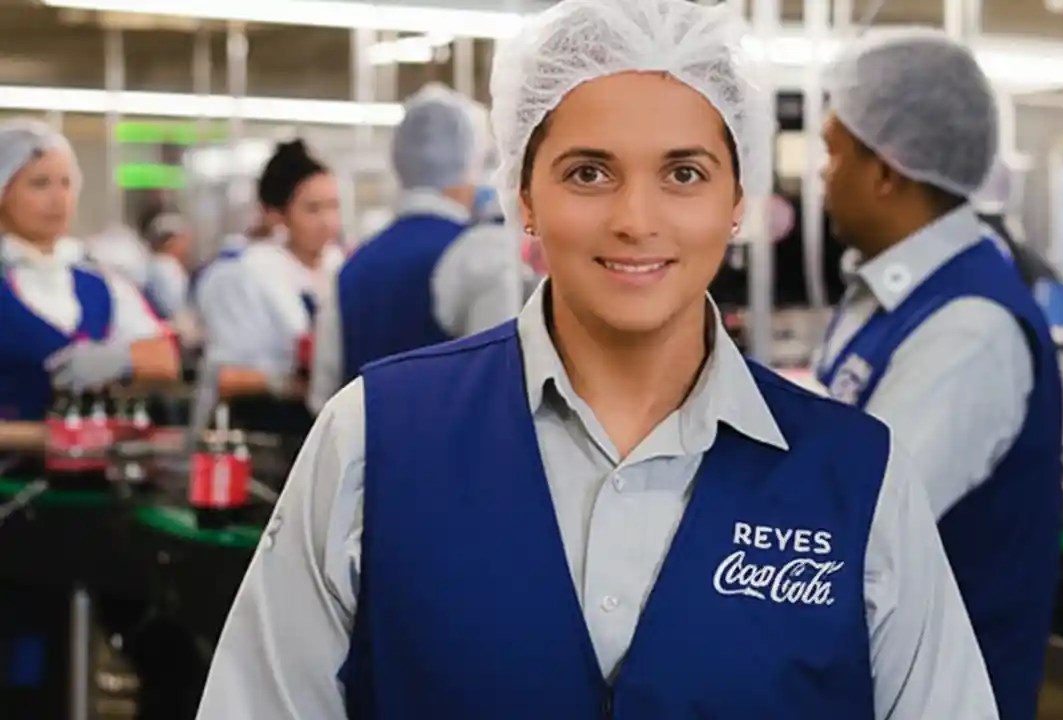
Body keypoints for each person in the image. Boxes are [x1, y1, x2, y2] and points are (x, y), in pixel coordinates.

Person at [197, 2, 998, 718]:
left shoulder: (856, 478)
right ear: (525, 197)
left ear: (736, 202)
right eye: (589, 172)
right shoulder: (374, 439)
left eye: (684, 173)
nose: (635, 219)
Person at [814, 29, 1063, 720]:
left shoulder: (968, 329)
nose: (821, 175)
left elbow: (861, 529)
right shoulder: (886, 296)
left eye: (834, 152)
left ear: (887, 171)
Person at [0, 118, 178, 715]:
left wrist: (122, 357)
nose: (57, 198)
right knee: (27, 668)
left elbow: (164, 355)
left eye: (66, 181)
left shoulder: (97, 282)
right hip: (14, 501)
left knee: (156, 641)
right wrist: (37, 435)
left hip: (95, 500)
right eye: (37, 182)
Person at [308, 84, 520, 413]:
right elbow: (497, 391)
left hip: (367, 460)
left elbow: (323, 398)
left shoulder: (351, 269)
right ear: (470, 163)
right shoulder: (480, 253)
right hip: (451, 461)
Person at [195, 140, 342, 435]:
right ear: (277, 214)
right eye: (313, 209)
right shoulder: (246, 274)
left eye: (333, 206)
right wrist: (289, 383)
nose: (327, 221)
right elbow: (227, 377)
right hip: (265, 429)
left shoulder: (339, 268)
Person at [139, 207, 194, 321]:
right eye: (183, 239)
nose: (187, 245)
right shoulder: (165, 268)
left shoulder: (157, 265)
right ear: (170, 241)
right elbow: (173, 309)